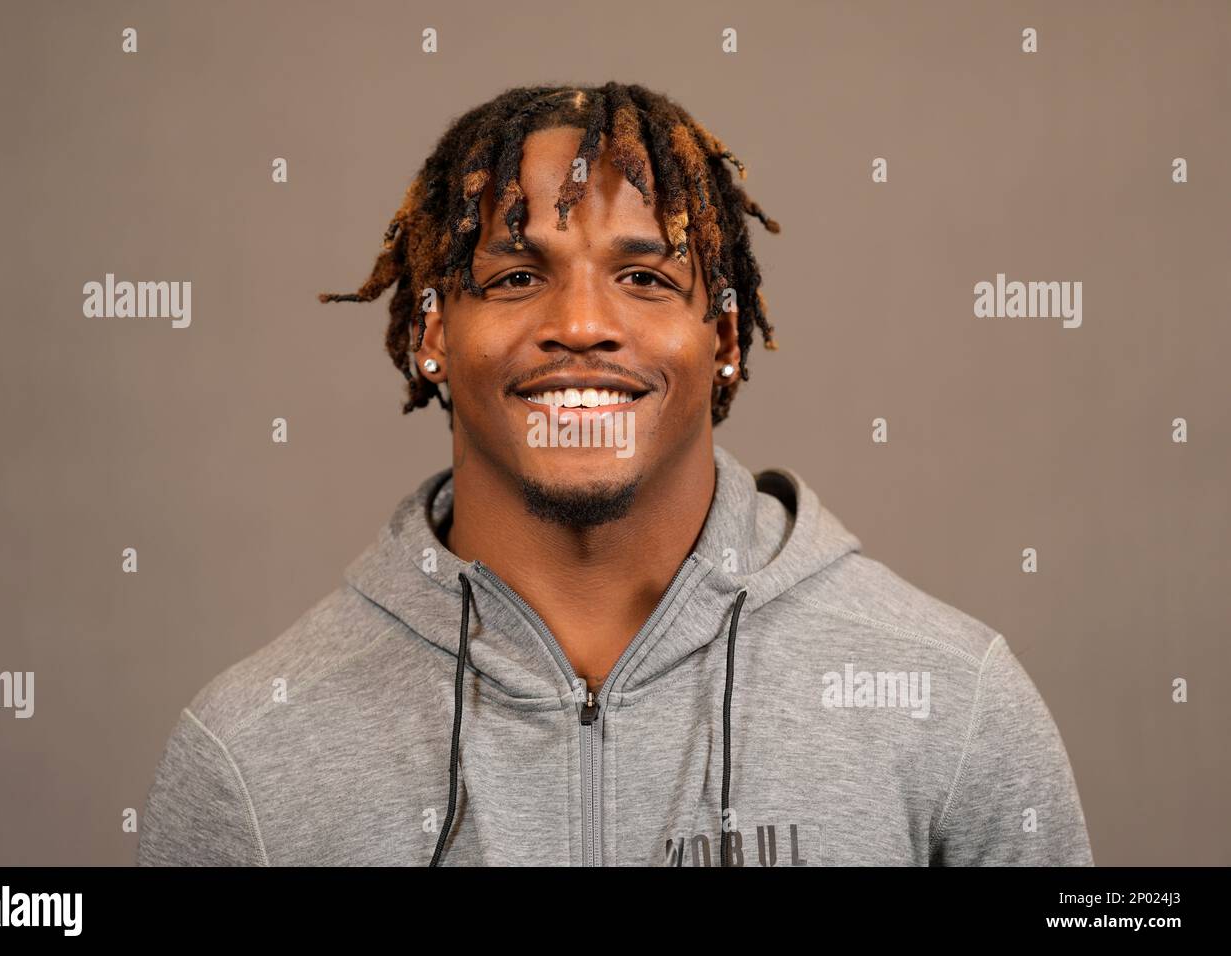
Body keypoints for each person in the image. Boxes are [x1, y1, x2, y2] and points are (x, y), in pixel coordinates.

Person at [137, 82, 1092, 866]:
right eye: (516, 277)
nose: (583, 323)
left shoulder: (948, 699)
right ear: (432, 335)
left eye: (645, 278)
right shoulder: (252, 755)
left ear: (722, 339)